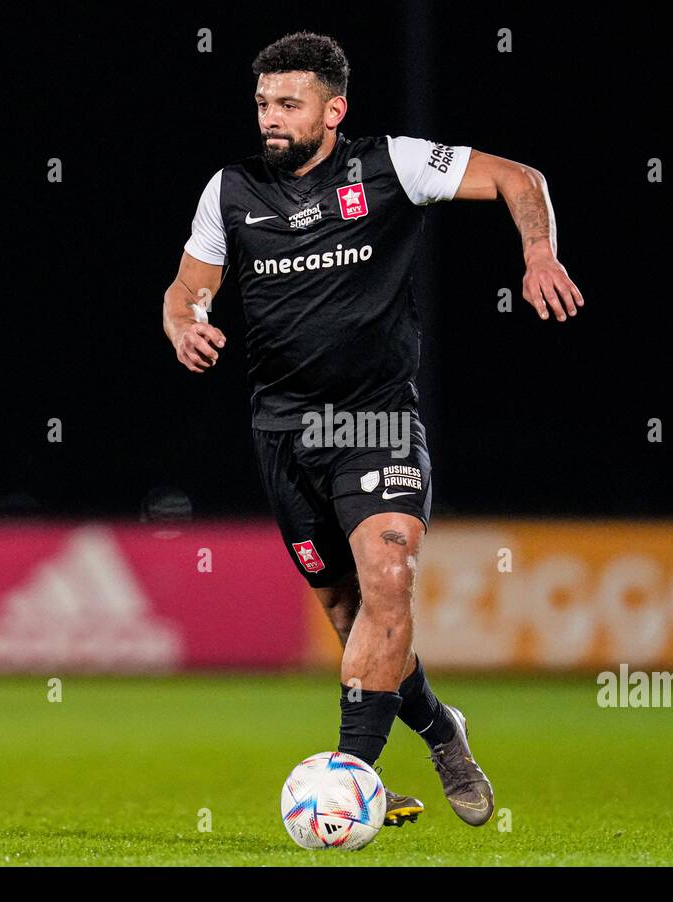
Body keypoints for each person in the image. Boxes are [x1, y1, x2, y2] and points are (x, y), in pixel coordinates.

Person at [162, 31, 584, 827]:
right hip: (283, 433)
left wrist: (537, 253)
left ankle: (351, 779)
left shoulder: (393, 164)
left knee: (390, 578)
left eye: (289, 105)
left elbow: (517, 178)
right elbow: (185, 290)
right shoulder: (230, 191)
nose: (271, 121)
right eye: (262, 105)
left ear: (334, 110)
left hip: (378, 420)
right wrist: (185, 325)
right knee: (353, 620)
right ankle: (439, 726)